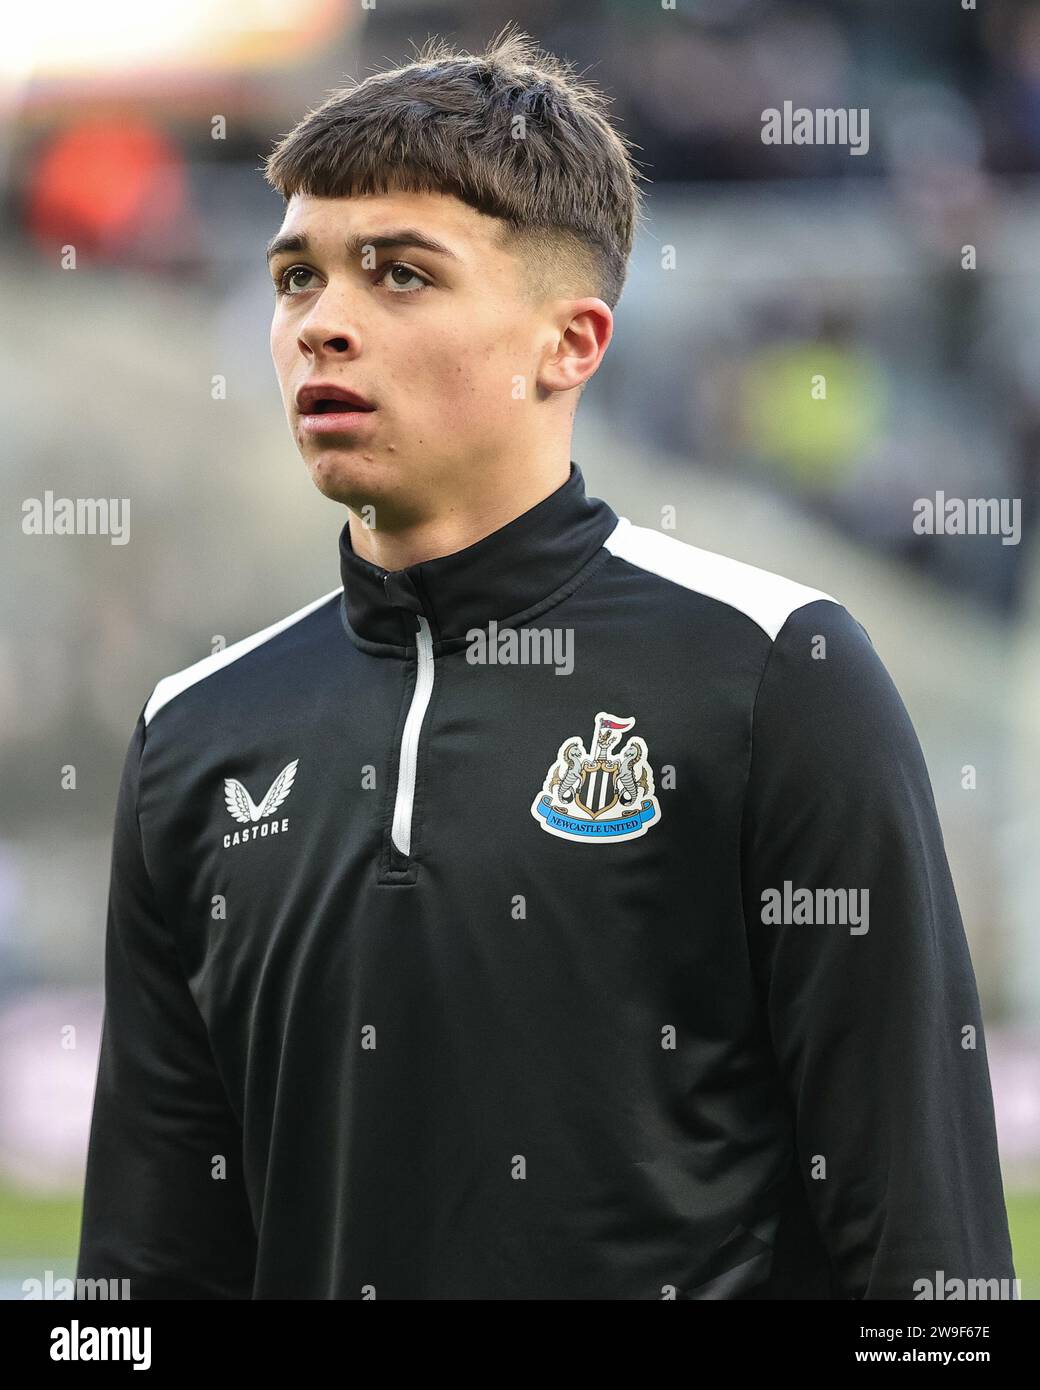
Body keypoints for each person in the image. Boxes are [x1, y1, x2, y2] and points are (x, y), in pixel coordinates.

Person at [76, 28, 1015, 1300]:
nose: (320, 326)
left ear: (568, 343)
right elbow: (138, 1278)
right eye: (297, 278)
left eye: (398, 275)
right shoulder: (194, 732)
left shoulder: (769, 674)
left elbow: (923, 1252)